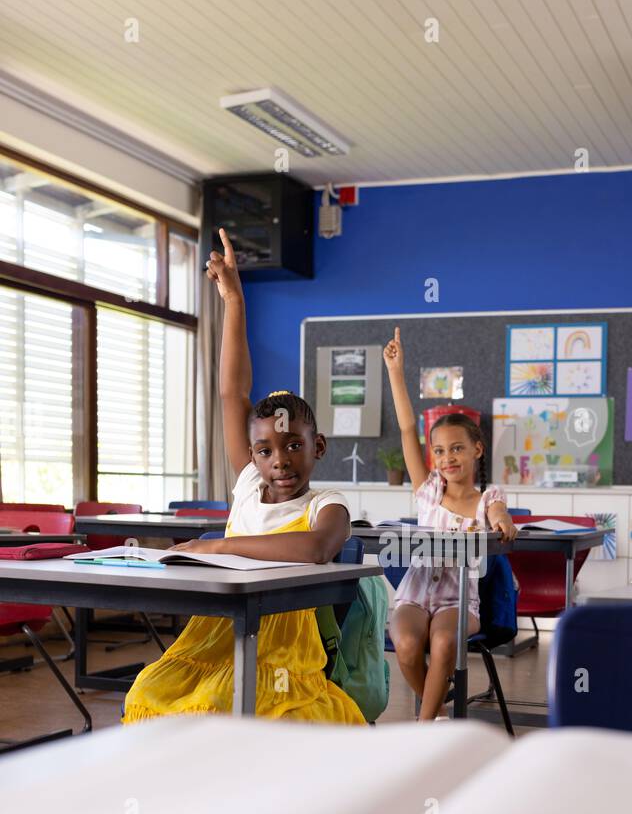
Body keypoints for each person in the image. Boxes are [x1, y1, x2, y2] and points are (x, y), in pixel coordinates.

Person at [122, 229, 365, 725]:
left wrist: (215, 547)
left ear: (317, 447)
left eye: (294, 445)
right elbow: (233, 392)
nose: (280, 460)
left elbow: (315, 548)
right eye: (265, 450)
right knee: (149, 691)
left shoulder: (328, 504)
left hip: (282, 643)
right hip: (218, 631)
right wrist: (233, 299)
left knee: (239, 705)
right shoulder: (249, 485)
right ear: (253, 457)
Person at [383, 327, 517, 720]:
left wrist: (504, 521)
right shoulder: (427, 491)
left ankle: (424, 728)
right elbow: (408, 429)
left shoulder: (487, 499)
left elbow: (498, 516)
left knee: (443, 643)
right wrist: (395, 371)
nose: (447, 457)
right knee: (406, 644)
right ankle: (441, 712)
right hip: (416, 590)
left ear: (477, 449)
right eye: (439, 451)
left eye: (457, 448)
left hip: (460, 599)